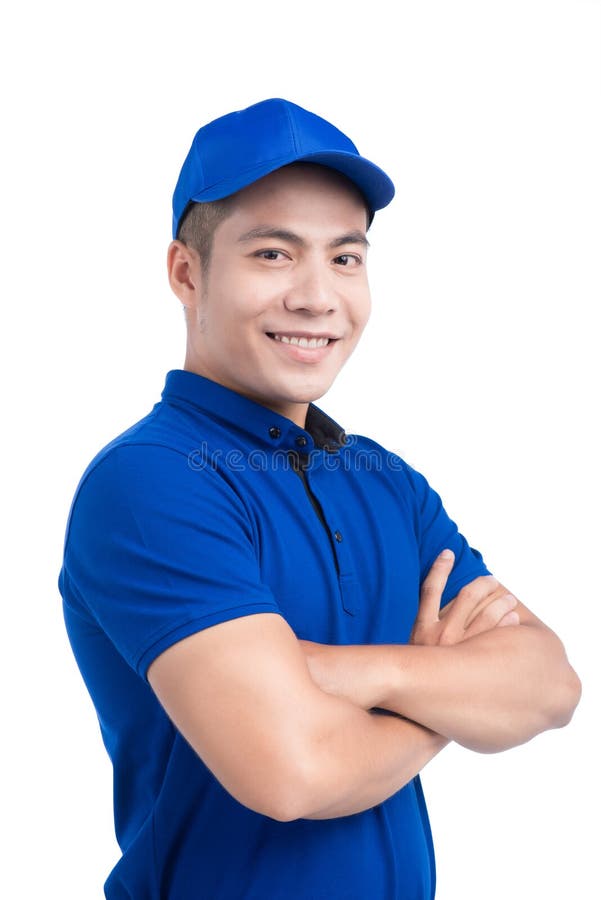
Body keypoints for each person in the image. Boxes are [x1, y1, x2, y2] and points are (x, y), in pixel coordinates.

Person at [59, 98, 581, 900]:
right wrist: (445, 692)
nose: (316, 297)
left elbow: (548, 686)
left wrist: (336, 675)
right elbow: (291, 774)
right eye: (272, 254)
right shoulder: (150, 482)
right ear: (185, 272)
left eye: (344, 258)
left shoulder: (385, 481)